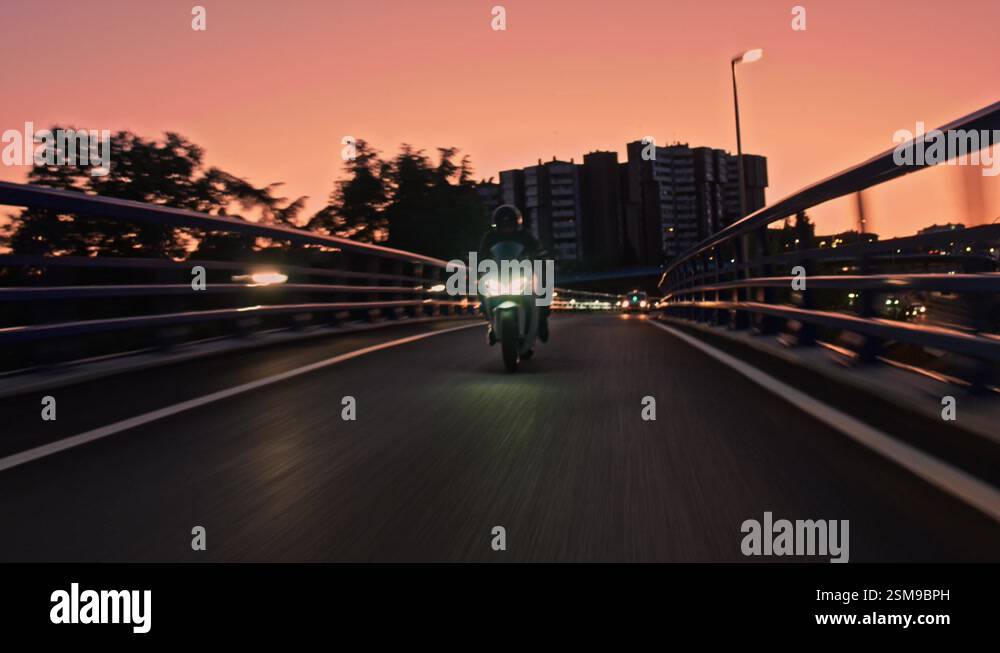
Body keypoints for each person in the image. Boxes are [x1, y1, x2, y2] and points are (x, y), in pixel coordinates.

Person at [477, 204, 550, 344]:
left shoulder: (526, 236)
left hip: (522, 273)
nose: (506, 228)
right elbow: (482, 255)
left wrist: (541, 261)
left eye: (510, 224)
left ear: (517, 224)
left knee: (543, 285)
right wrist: (479, 267)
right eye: (503, 225)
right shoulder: (490, 238)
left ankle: (542, 321)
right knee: (481, 287)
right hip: (498, 275)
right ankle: (490, 321)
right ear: (497, 225)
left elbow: (538, 251)